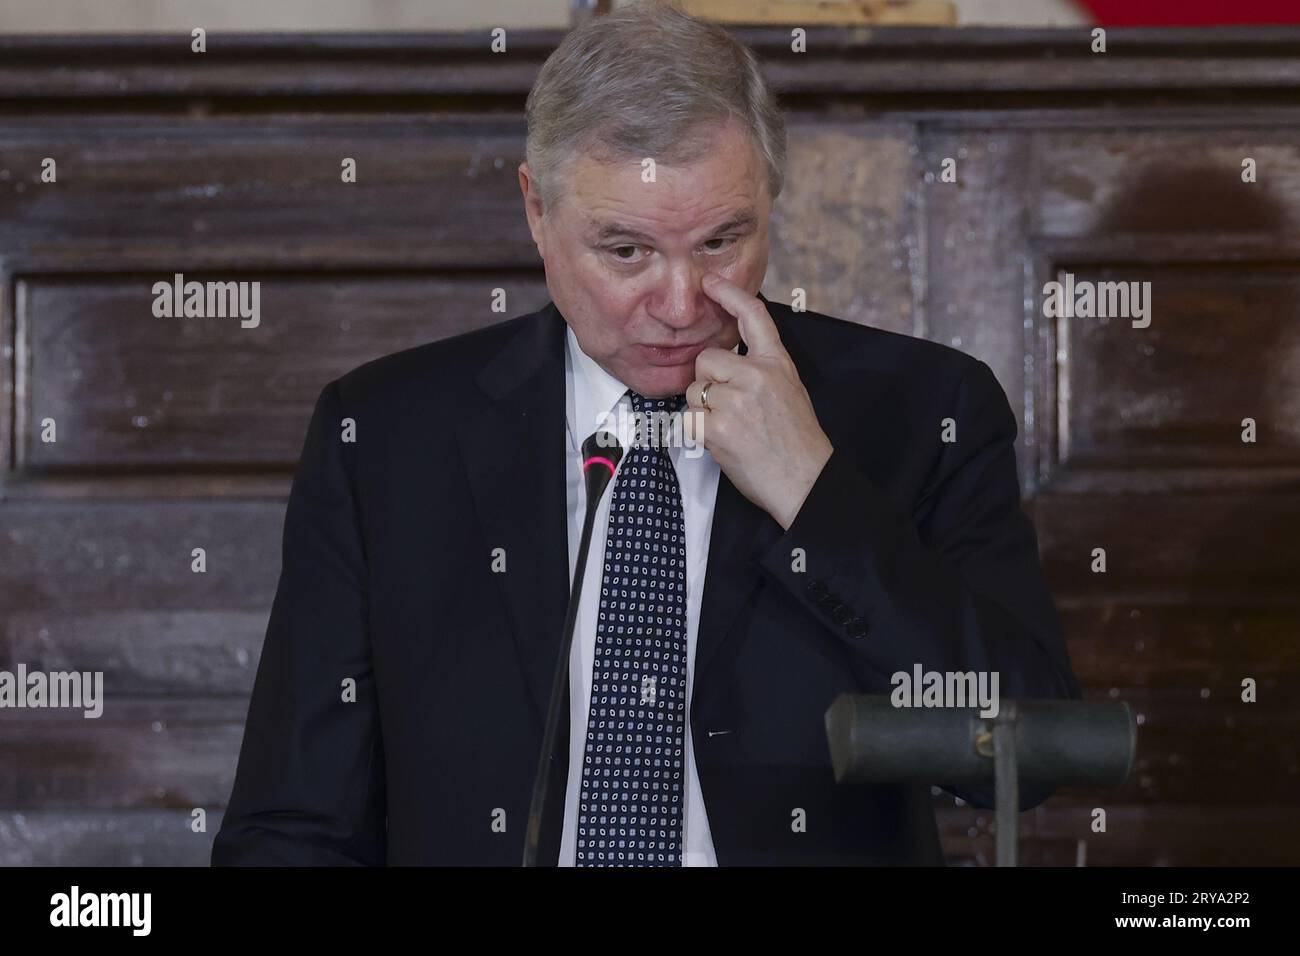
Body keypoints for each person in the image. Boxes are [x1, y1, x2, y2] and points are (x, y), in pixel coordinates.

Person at [212, 0, 1079, 867]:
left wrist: (815, 497)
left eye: (721, 241)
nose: (679, 304)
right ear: (537, 213)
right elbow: (293, 824)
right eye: (626, 251)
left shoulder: (922, 411)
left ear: (770, 204)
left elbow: (1025, 749)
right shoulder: (388, 439)